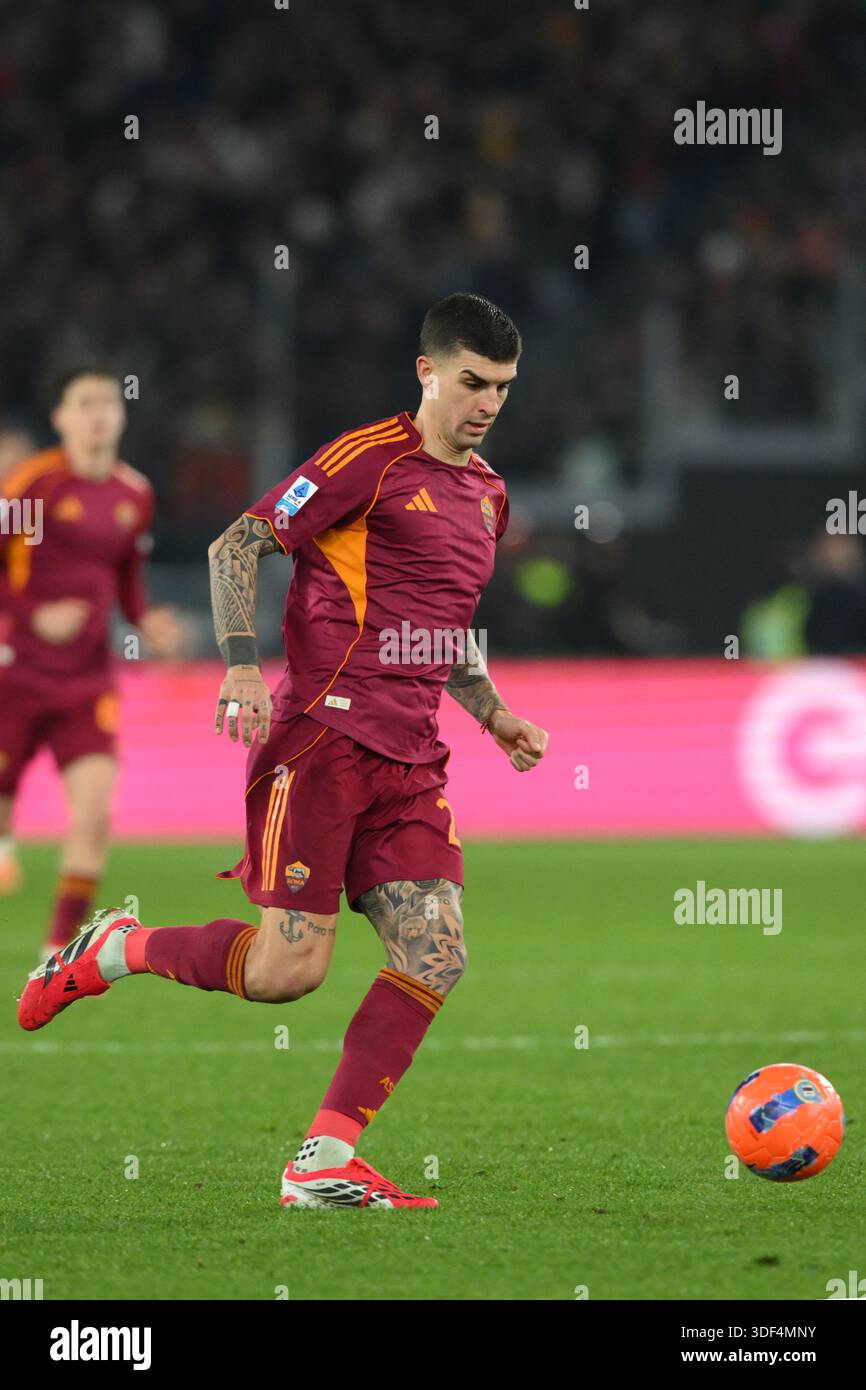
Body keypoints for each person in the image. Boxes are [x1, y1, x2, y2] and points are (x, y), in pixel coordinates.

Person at [18, 295, 549, 1211]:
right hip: (324, 740)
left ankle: (323, 1161)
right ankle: (118, 948)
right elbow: (239, 545)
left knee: (436, 952)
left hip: (413, 759)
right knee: (284, 974)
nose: (487, 402)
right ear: (426, 372)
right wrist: (241, 668)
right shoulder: (366, 460)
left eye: (501, 387)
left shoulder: (490, 496)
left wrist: (493, 713)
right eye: (472, 382)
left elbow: (440, 628)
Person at [0, 369, 182, 946]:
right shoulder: (34, 485)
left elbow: (127, 578)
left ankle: (58, 953)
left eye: (107, 402)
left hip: (87, 680)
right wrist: (34, 615)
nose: (99, 413)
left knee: (96, 812)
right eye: (85, 403)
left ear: (121, 415)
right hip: (16, 671)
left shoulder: (135, 495)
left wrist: (145, 621)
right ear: (62, 418)